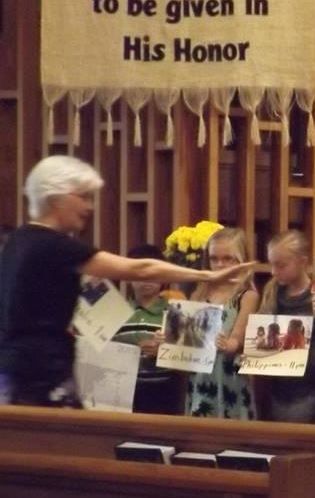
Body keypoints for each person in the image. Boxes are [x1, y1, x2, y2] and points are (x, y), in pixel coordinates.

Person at [0, 156, 252, 408]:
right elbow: (140, 269)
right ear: (57, 198)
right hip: (41, 374)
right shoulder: (53, 245)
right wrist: (207, 275)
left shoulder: (17, 241)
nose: (89, 207)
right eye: (83, 197)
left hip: (13, 369)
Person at [184, 227, 259, 420]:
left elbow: (237, 339)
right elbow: (186, 338)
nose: (219, 265)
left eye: (228, 259)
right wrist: (168, 338)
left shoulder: (247, 296)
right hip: (201, 375)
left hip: (228, 377)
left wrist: (229, 344)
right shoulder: (199, 294)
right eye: (214, 259)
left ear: (241, 261)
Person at [258, 230, 315, 423]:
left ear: (303, 262)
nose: (273, 272)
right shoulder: (271, 293)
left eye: (281, 265)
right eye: (272, 264)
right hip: (278, 387)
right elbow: (262, 337)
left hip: (310, 387)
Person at [111, 243, 182, 415]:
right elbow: (106, 354)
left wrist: (163, 352)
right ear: (127, 277)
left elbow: (187, 359)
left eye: (154, 274)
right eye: (140, 274)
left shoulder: (175, 312)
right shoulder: (116, 313)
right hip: (122, 393)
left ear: (164, 277)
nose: (147, 279)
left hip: (164, 390)